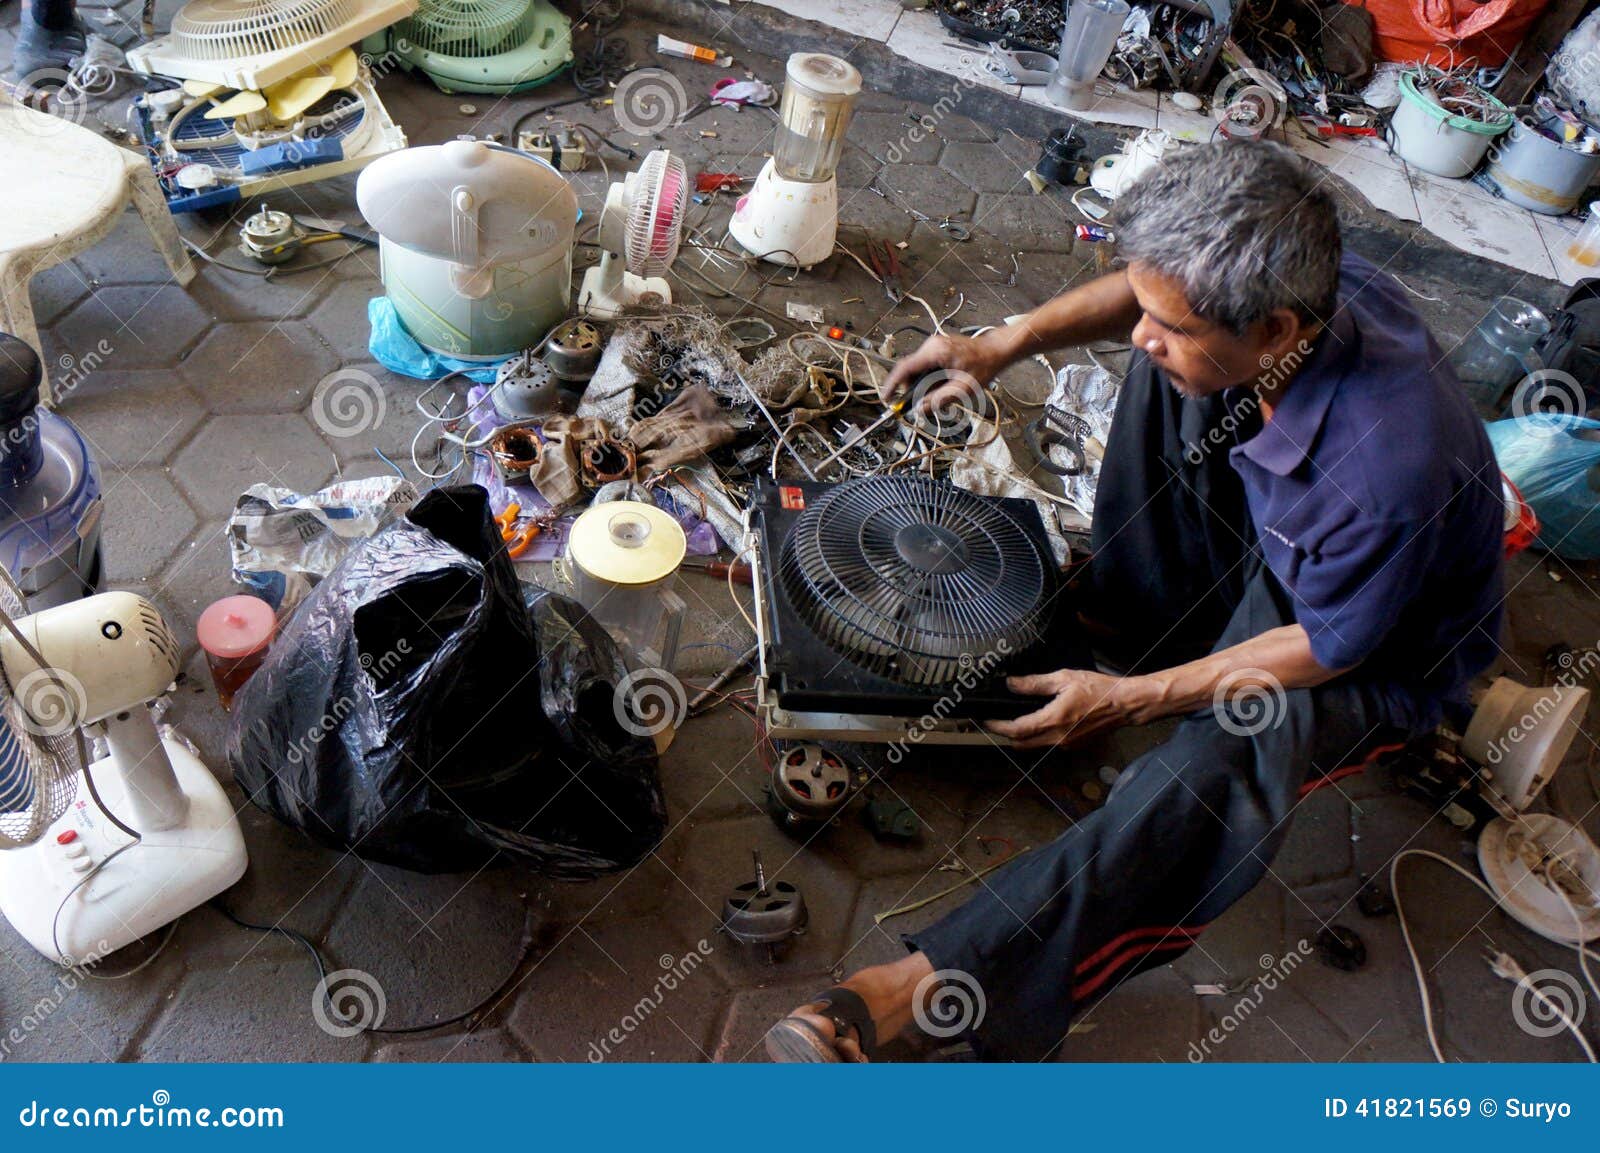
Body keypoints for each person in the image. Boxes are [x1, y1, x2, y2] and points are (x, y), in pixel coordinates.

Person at [764, 140, 1505, 1062]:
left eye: (1171, 318)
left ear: (1277, 330)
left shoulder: (1385, 474)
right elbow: (1148, 296)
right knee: (1175, 372)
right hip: (1291, 544)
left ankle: (942, 982)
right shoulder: (1296, 285)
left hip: (1371, 654)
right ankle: (1124, 621)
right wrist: (1000, 343)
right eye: (1151, 306)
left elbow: (1329, 648)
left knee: (1232, 748)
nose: (1143, 330)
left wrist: (1136, 699)